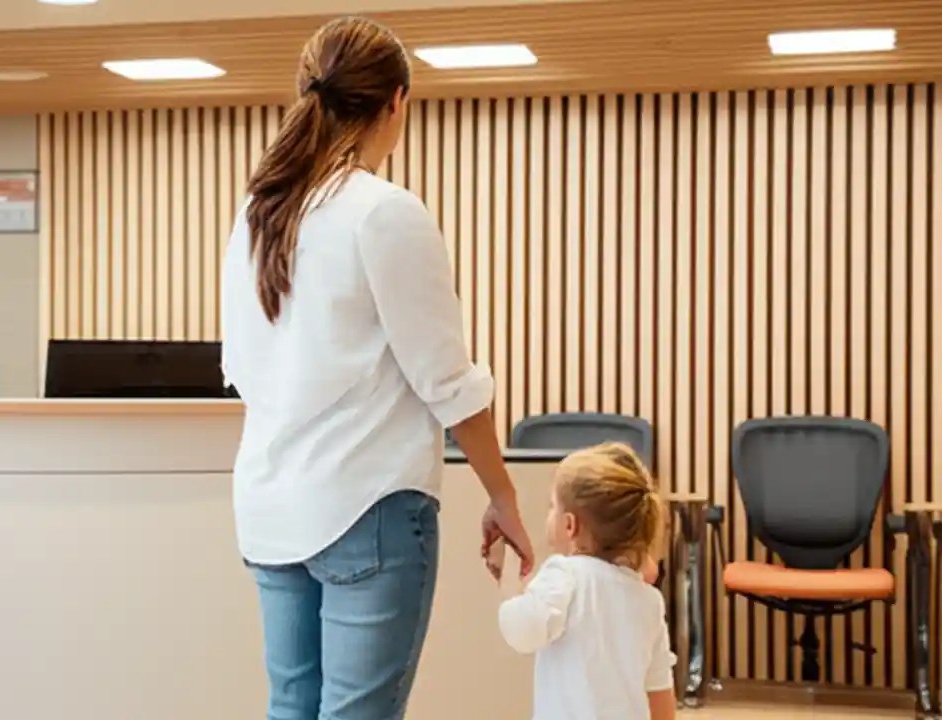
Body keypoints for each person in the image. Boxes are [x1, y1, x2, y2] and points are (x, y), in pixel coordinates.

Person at [220, 16, 535, 720]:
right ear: (397, 102)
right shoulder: (383, 213)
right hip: (368, 509)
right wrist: (504, 497)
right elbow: (448, 383)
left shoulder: (256, 214)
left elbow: (240, 367)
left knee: (293, 708)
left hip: (272, 507)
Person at [497, 442, 677, 720]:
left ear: (570, 525)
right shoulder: (649, 600)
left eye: (552, 506)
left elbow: (524, 631)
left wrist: (510, 588)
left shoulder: (564, 574)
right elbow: (660, 695)